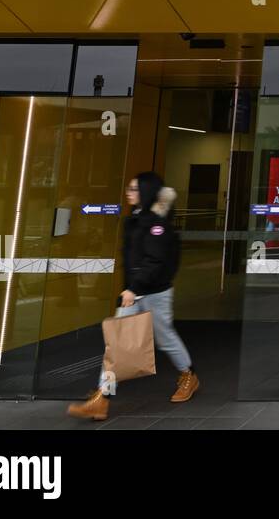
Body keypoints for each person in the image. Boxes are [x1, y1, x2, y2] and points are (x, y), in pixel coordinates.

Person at [67, 171, 199, 421]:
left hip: (153, 293)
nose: (129, 192)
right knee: (115, 345)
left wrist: (134, 288)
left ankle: (188, 375)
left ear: (147, 192)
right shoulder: (135, 220)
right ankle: (102, 398)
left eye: (134, 189)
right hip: (133, 293)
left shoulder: (156, 225)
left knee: (165, 338)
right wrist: (131, 289)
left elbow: (155, 261)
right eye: (129, 188)